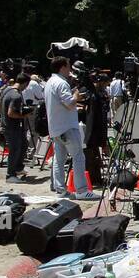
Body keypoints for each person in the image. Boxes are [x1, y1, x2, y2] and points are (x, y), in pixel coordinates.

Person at [44, 57, 95, 200]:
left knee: (58, 160)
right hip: (67, 126)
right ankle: (82, 190)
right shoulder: (61, 83)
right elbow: (69, 103)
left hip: (55, 127)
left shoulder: (50, 82)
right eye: (68, 67)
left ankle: (60, 190)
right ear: (62, 67)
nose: (70, 70)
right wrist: (76, 96)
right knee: (78, 157)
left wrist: (74, 94)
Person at [0, 73, 31, 183]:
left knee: (24, 144)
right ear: (26, 83)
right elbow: (11, 113)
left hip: (7, 125)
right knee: (15, 150)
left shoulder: (7, 90)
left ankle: (18, 168)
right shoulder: (16, 95)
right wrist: (24, 115)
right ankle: (10, 174)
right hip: (12, 126)